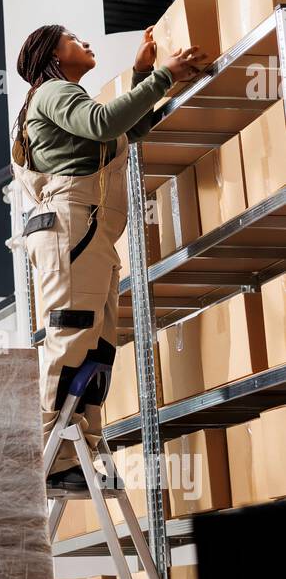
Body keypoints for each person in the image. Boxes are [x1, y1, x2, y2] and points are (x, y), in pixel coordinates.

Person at [12, 24, 206, 489]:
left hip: (89, 232)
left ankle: (76, 452)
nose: (87, 44)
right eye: (74, 39)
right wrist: (162, 78)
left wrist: (144, 75)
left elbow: (127, 129)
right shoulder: (53, 93)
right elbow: (104, 123)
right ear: (52, 56)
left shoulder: (69, 100)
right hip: (72, 230)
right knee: (69, 338)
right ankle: (49, 458)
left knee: (97, 346)